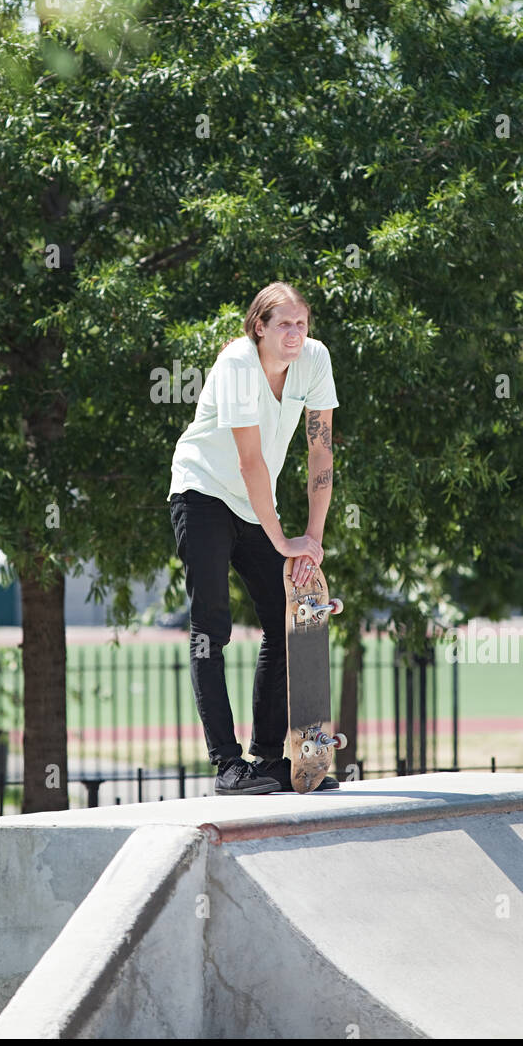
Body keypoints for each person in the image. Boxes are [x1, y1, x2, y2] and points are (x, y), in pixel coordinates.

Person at [168, 282, 339, 794]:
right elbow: (249, 461)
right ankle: (227, 764)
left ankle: (267, 760)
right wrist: (283, 540)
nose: (295, 333)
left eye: (301, 324)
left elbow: (321, 454)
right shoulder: (238, 365)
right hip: (201, 494)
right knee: (211, 627)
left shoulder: (315, 361)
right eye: (283, 324)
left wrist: (311, 539)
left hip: (253, 503)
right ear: (259, 326)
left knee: (286, 623)